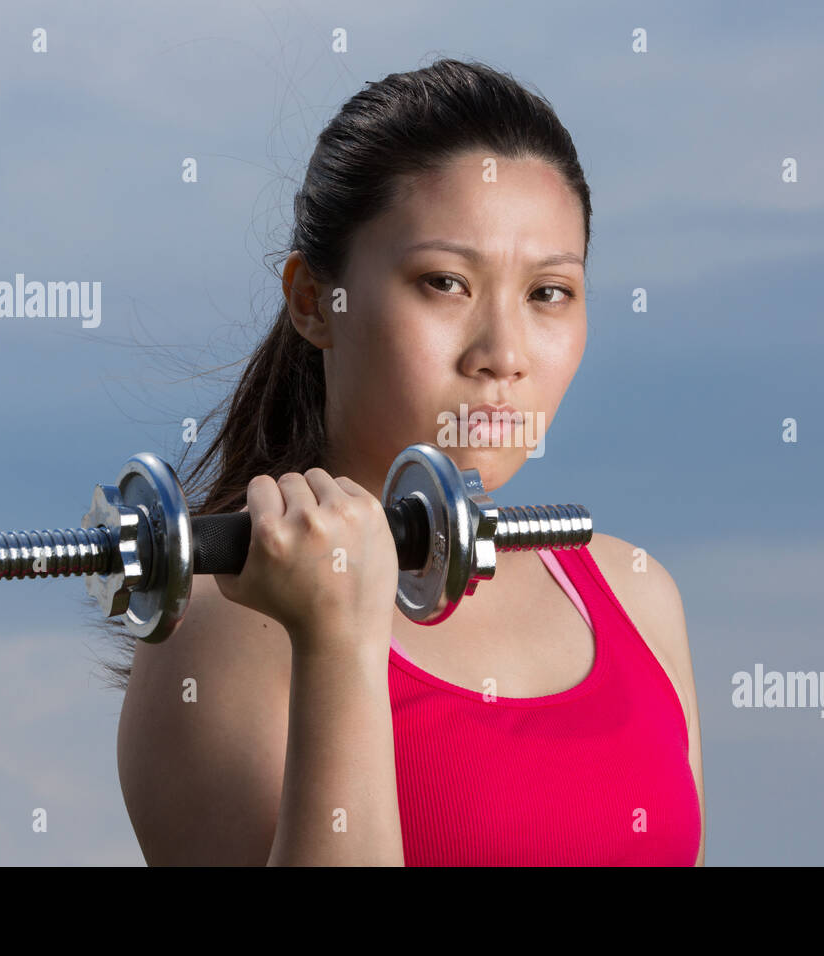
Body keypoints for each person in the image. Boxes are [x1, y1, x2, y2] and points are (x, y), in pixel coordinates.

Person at [109, 57, 704, 866]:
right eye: (445, 282)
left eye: (548, 293)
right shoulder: (230, 625)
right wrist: (338, 643)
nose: (503, 355)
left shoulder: (638, 596)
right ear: (314, 302)